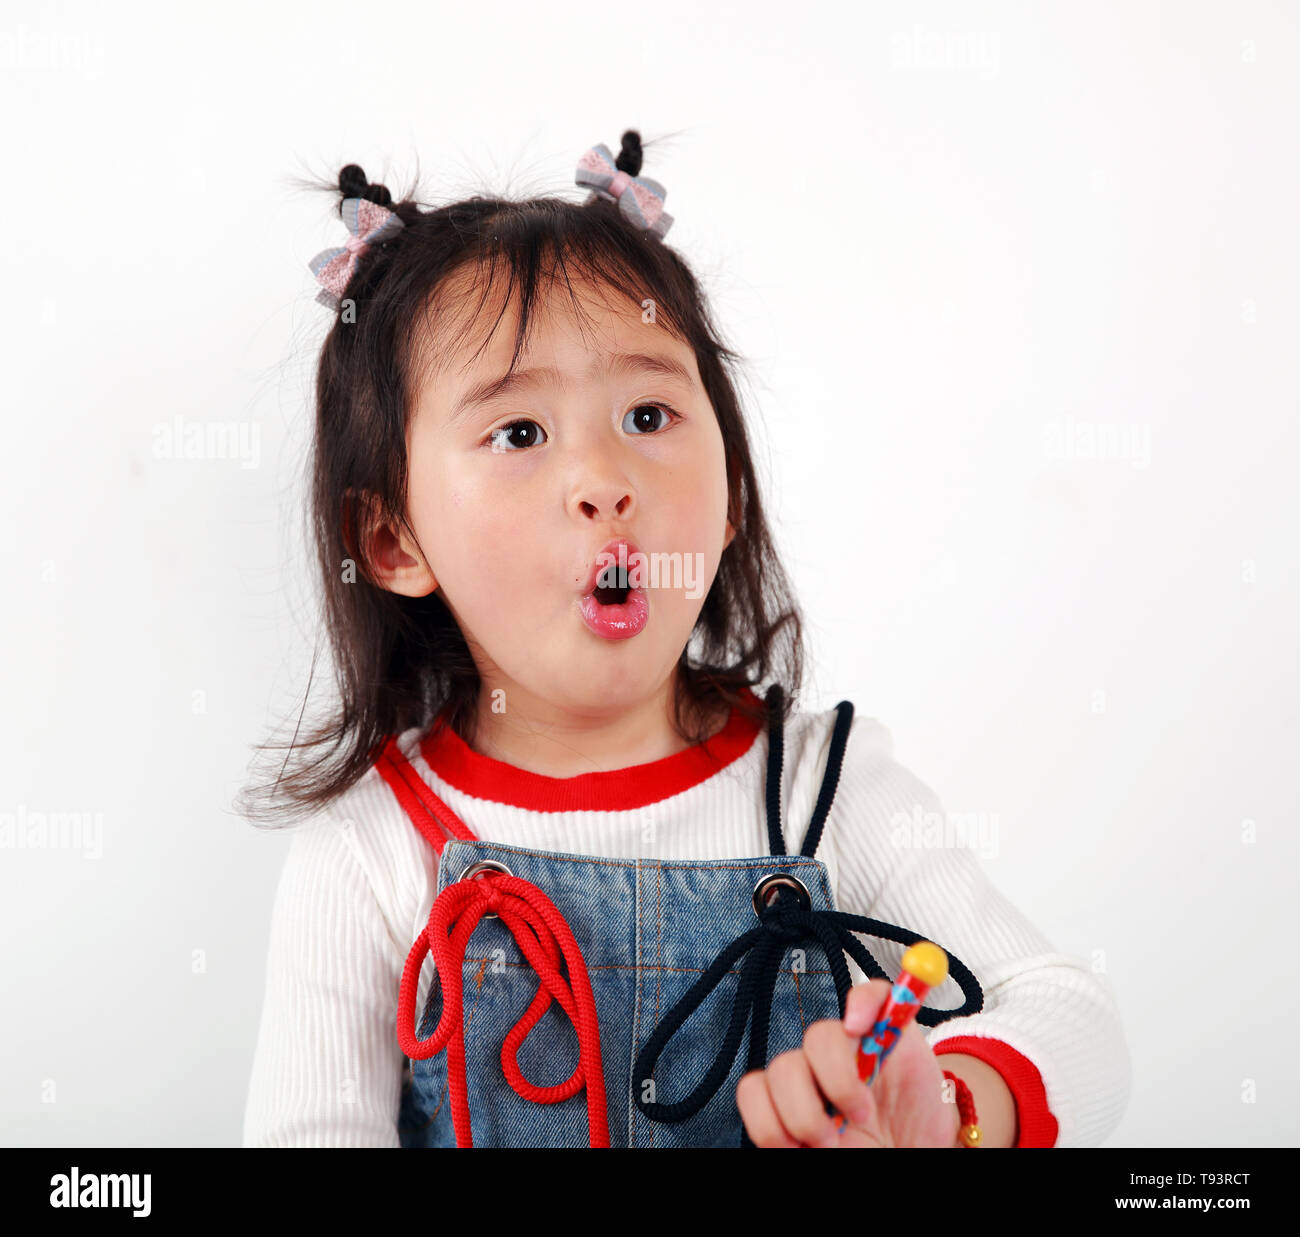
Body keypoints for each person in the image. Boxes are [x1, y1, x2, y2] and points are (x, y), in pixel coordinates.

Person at [239, 130, 1130, 1148]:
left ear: (730, 497)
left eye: (649, 413)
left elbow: (1071, 1014)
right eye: (518, 433)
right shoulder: (369, 847)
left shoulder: (823, 788)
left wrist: (956, 1106)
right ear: (393, 539)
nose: (604, 478)